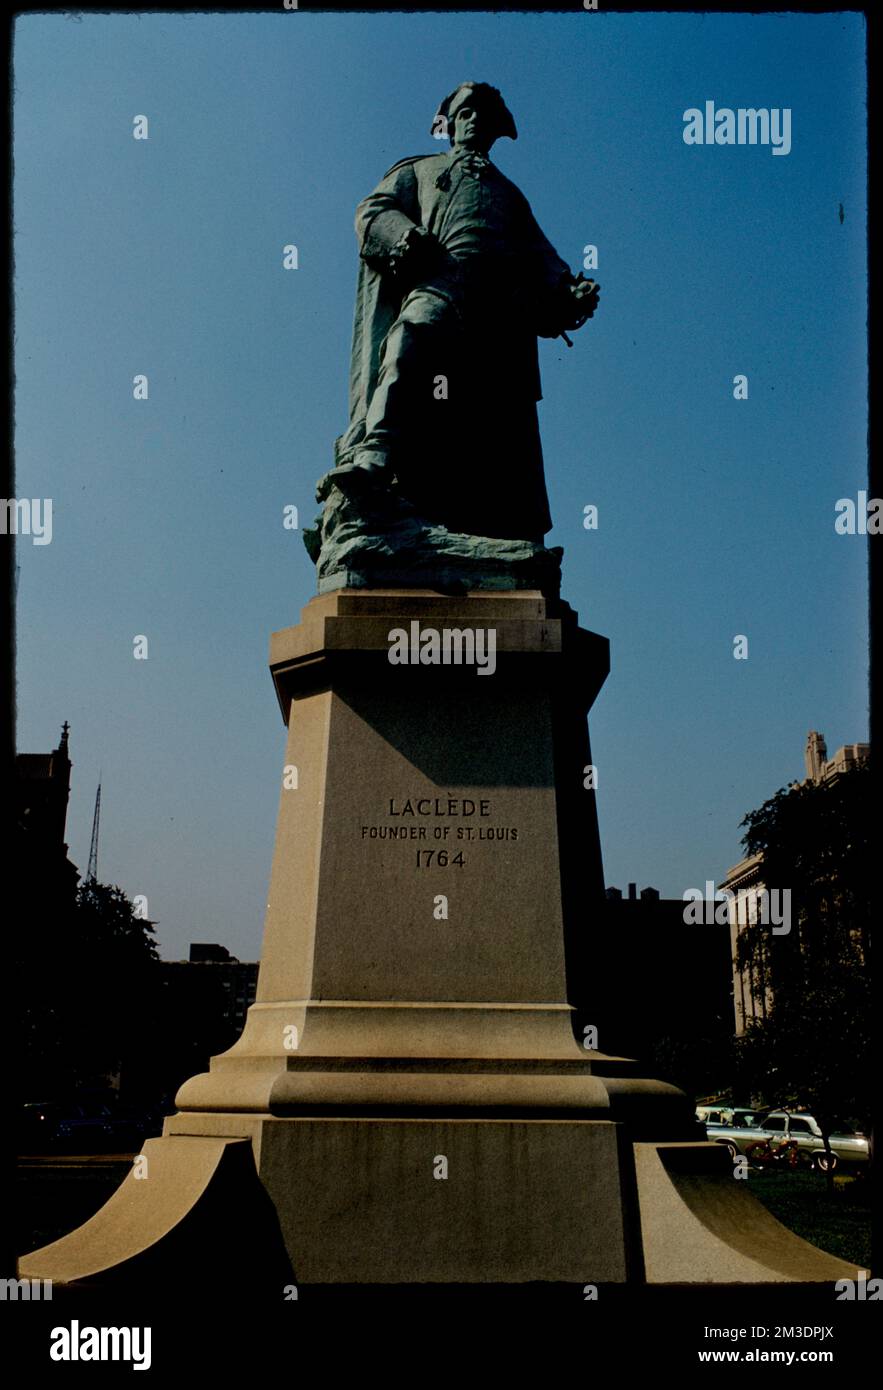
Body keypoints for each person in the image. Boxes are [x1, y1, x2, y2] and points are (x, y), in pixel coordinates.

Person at [327, 81, 600, 543]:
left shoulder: (511, 196)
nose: (473, 120)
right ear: (449, 123)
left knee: (496, 420)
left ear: (498, 130)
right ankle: (376, 456)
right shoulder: (418, 171)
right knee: (407, 342)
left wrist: (569, 292)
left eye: (483, 115)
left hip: (501, 317)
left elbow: (543, 259)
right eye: (465, 112)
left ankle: (496, 526)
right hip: (442, 282)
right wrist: (405, 237)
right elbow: (373, 211)